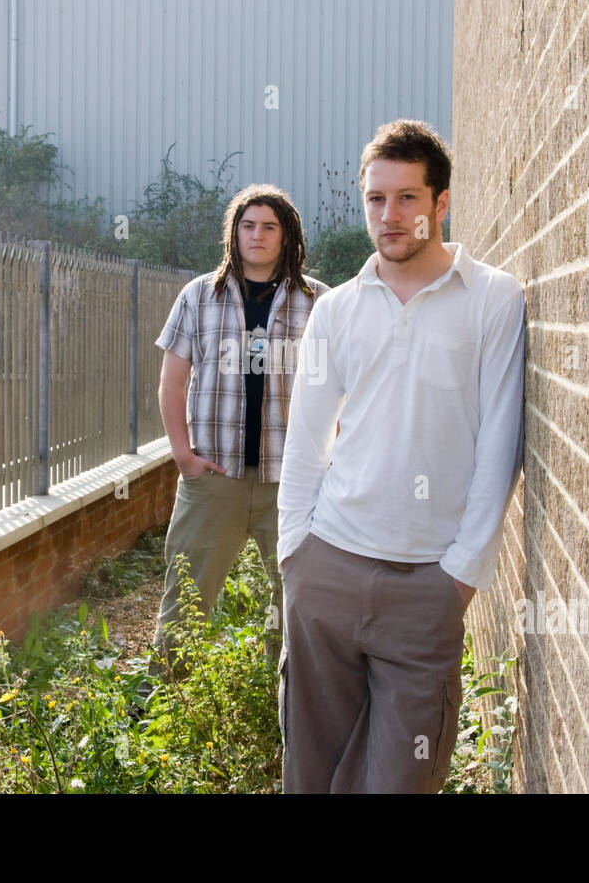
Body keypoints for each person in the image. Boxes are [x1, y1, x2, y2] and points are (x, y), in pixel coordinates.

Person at [276, 120, 526, 793]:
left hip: (427, 587)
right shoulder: (337, 312)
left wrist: (460, 578)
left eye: (408, 198)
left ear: (441, 204)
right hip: (326, 568)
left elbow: (501, 444)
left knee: (402, 778)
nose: (389, 216)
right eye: (376, 199)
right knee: (312, 773)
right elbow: (305, 441)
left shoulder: (494, 300)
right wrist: (294, 552)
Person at [150, 183, 330, 676]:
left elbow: (346, 387)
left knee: (296, 595)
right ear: (234, 233)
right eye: (248, 225)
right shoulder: (198, 296)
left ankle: (287, 705)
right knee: (187, 590)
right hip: (214, 476)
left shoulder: (319, 302)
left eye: (269, 226)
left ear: (287, 235)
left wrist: (330, 460)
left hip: (291, 481)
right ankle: (167, 700)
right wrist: (183, 457)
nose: (258, 235)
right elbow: (171, 383)